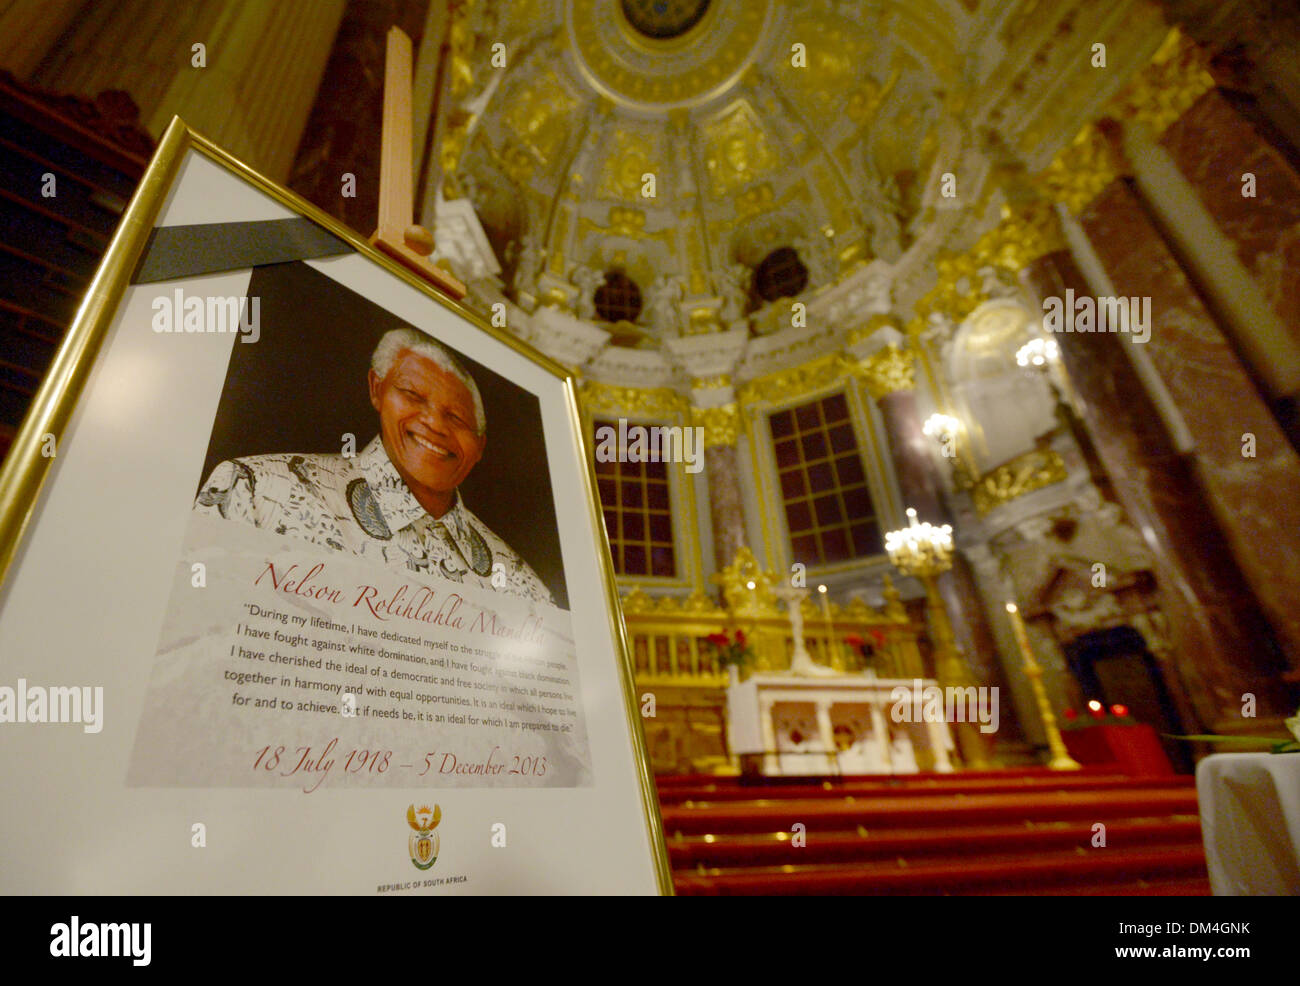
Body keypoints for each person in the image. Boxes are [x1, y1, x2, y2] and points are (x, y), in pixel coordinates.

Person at [195, 327, 554, 604]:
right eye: (413, 395)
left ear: (479, 447)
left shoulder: (525, 588)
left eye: (458, 418)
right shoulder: (255, 489)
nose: (435, 425)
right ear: (376, 390)